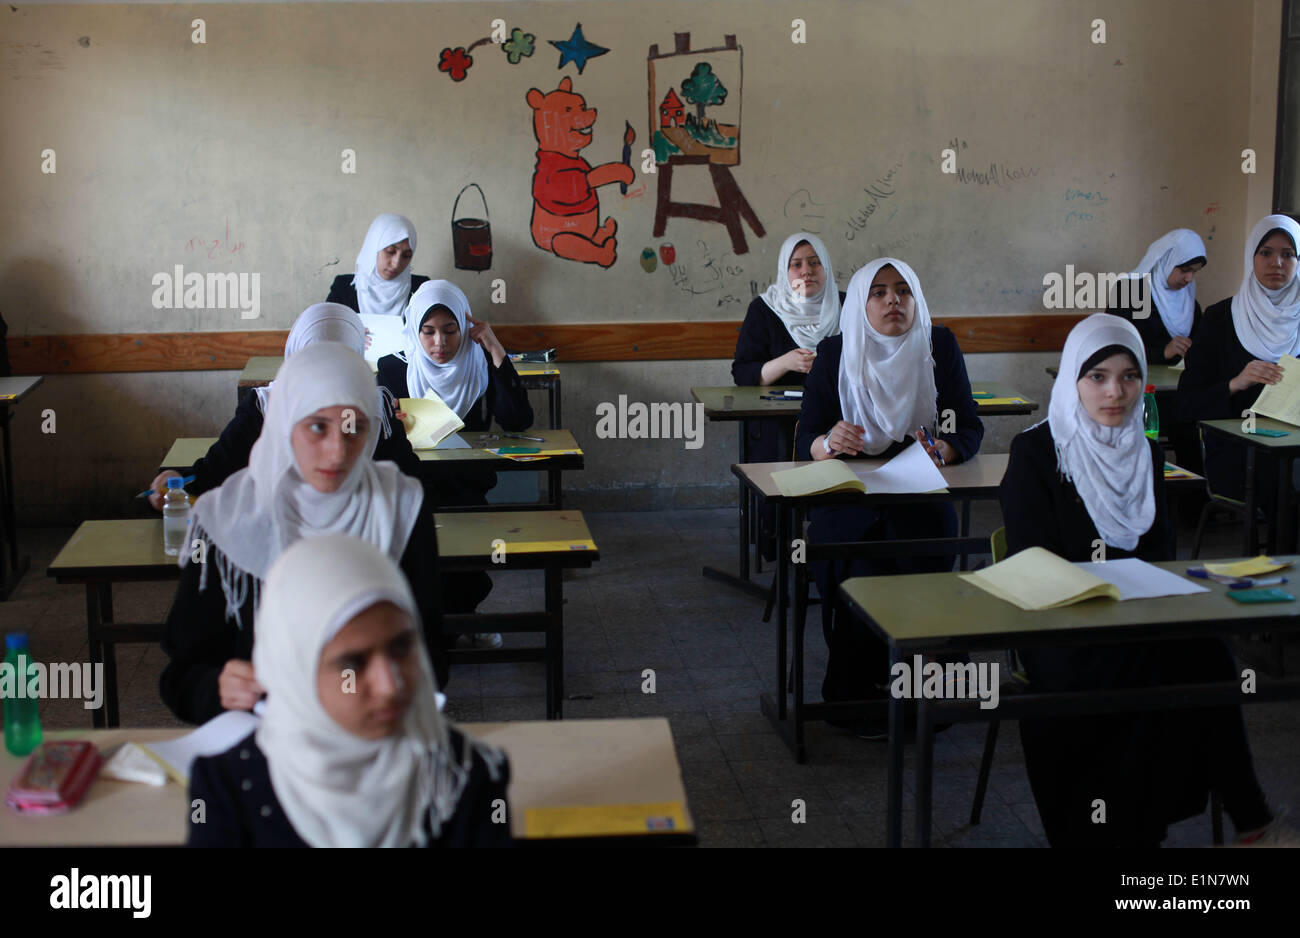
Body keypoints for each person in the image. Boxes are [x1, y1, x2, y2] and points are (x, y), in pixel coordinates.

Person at [1000, 312, 1289, 846]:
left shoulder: (1146, 453)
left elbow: (1156, 560)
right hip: (1058, 625)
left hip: (1136, 618)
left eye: (1130, 376)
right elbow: (1029, 564)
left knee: (1205, 652)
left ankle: (1242, 823)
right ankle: (1119, 828)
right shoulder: (1037, 453)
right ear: (1072, 381)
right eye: (1098, 377)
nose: (1116, 392)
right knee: (1137, 667)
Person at [159, 342, 443, 724]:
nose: (336, 453)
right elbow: (182, 675)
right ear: (283, 424)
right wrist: (217, 690)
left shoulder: (400, 509)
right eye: (316, 427)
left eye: (353, 429)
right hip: (260, 735)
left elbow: (433, 653)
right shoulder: (226, 517)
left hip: (369, 733)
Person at [187, 534, 511, 847]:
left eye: (402, 646)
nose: (389, 685)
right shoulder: (228, 788)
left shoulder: (467, 775)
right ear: (294, 670)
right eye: (352, 664)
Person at [794, 258, 983, 715]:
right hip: (849, 496)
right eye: (878, 292)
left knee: (924, 550)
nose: (892, 300)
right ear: (861, 302)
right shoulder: (836, 352)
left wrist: (946, 448)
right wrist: (827, 442)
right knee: (863, 564)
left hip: (918, 488)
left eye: (902, 290)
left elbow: (969, 427)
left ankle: (929, 686)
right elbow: (806, 439)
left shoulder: (938, 345)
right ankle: (857, 696)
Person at [145, 304, 421, 507]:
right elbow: (217, 473)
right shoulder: (265, 408)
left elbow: (406, 482)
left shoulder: (375, 408)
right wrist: (174, 479)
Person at [732, 232, 842, 558]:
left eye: (814, 262)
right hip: (776, 423)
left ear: (826, 268)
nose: (806, 271)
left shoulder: (848, 304)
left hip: (833, 418)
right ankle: (780, 548)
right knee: (777, 465)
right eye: (796, 264)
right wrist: (786, 362)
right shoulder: (765, 309)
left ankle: (832, 544)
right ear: (785, 272)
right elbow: (743, 374)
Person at [377, 279, 534, 509]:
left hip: (468, 484)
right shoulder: (395, 368)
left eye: (450, 330)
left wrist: (496, 351)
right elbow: (387, 443)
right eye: (428, 332)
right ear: (414, 330)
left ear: (464, 325)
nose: (440, 343)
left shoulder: (480, 365)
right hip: (414, 489)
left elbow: (518, 421)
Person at [1179, 214, 1299, 508]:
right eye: (1266, 253)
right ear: (1251, 258)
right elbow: (1186, 404)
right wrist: (1236, 383)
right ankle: (1281, 553)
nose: (1277, 263)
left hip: (1294, 446)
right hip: (1240, 450)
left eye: (1288, 254)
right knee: (1285, 484)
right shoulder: (1220, 318)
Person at [1107, 228, 1207, 472]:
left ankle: (1192, 502)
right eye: (1184, 270)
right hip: (1136, 394)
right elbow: (1114, 347)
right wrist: (1162, 352)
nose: (1189, 279)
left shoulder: (1191, 304)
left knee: (1194, 433)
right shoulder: (1129, 293)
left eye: (1194, 272)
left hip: (1178, 394)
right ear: (1165, 261)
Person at [326, 213, 428, 316]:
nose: (396, 263)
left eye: (406, 256)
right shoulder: (343, 288)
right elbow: (325, 327)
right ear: (373, 248)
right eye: (390, 251)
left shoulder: (422, 289)